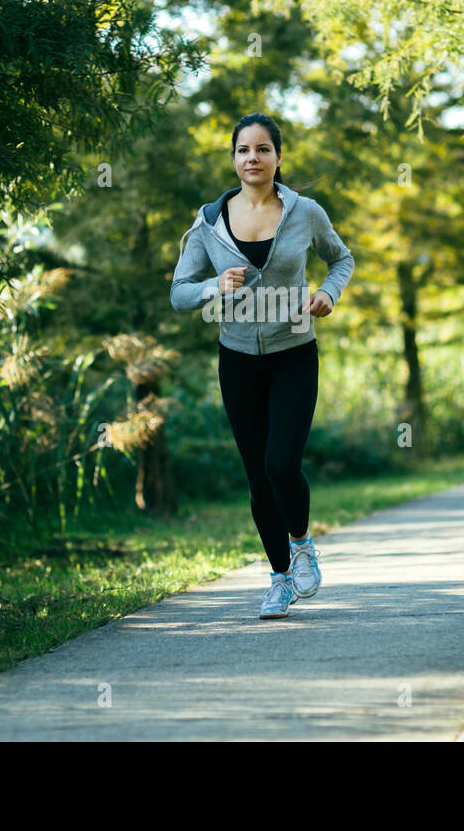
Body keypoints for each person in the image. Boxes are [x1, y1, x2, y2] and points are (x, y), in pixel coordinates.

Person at [170, 113, 355, 618]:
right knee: (257, 476)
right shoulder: (209, 221)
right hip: (237, 360)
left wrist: (327, 293)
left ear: (278, 157)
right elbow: (179, 293)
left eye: (263, 149)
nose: (252, 158)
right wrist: (213, 287)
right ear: (233, 159)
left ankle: (302, 546)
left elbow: (341, 259)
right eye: (243, 150)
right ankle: (278, 578)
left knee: (281, 464)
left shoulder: (305, 212)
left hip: (294, 352)